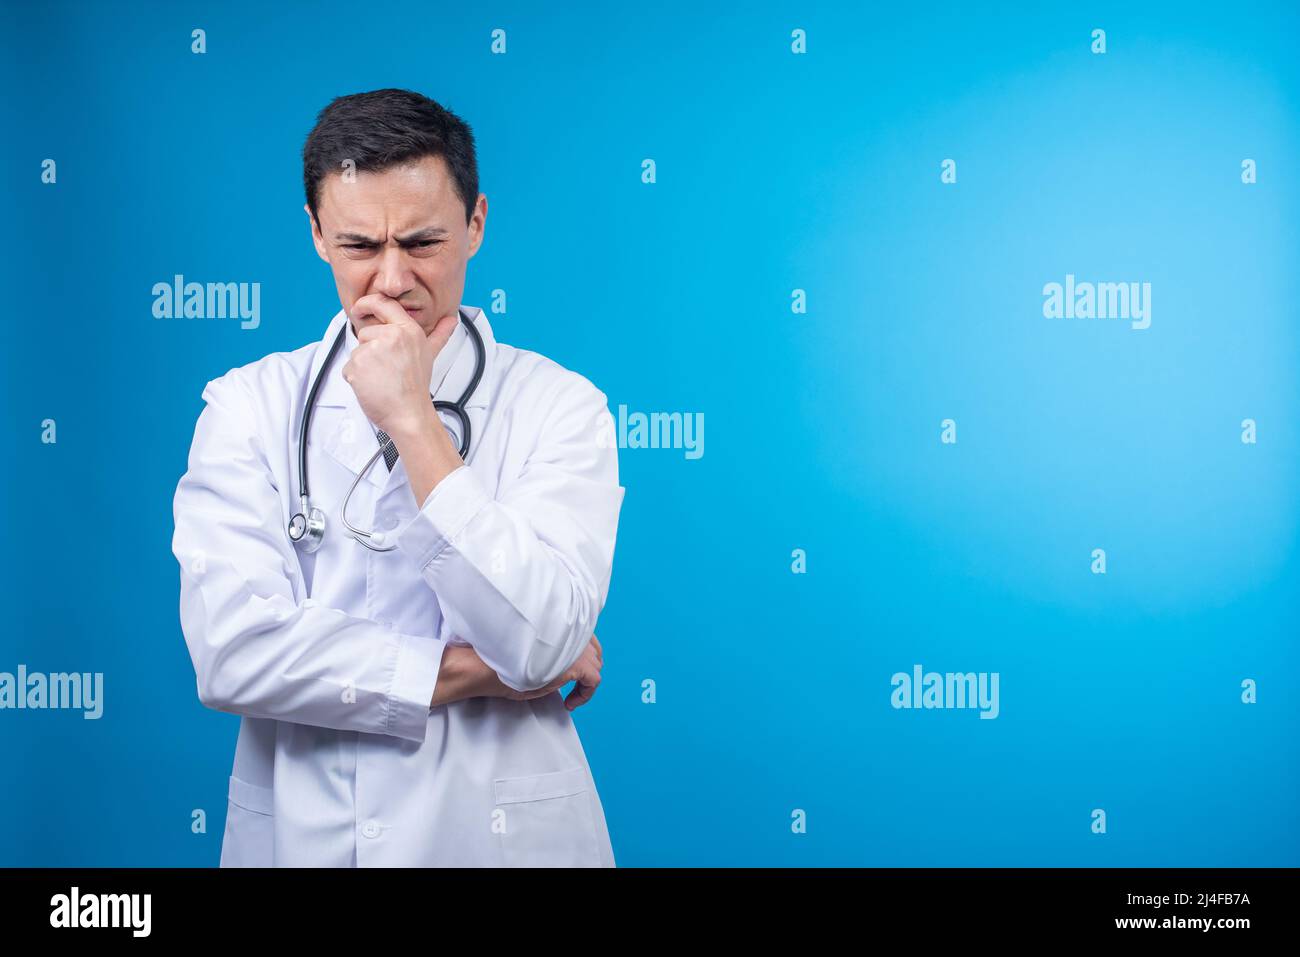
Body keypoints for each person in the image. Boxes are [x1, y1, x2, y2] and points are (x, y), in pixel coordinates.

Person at [170, 88, 625, 867]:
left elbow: (543, 636)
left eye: (422, 241)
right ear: (315, 233)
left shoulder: (559, 405)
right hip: (304, 835)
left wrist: (415, 423)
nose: (390, 280)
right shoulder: (247, 406)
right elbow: (232, 652)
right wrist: (478, 670)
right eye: (358, 245)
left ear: (476, 222)